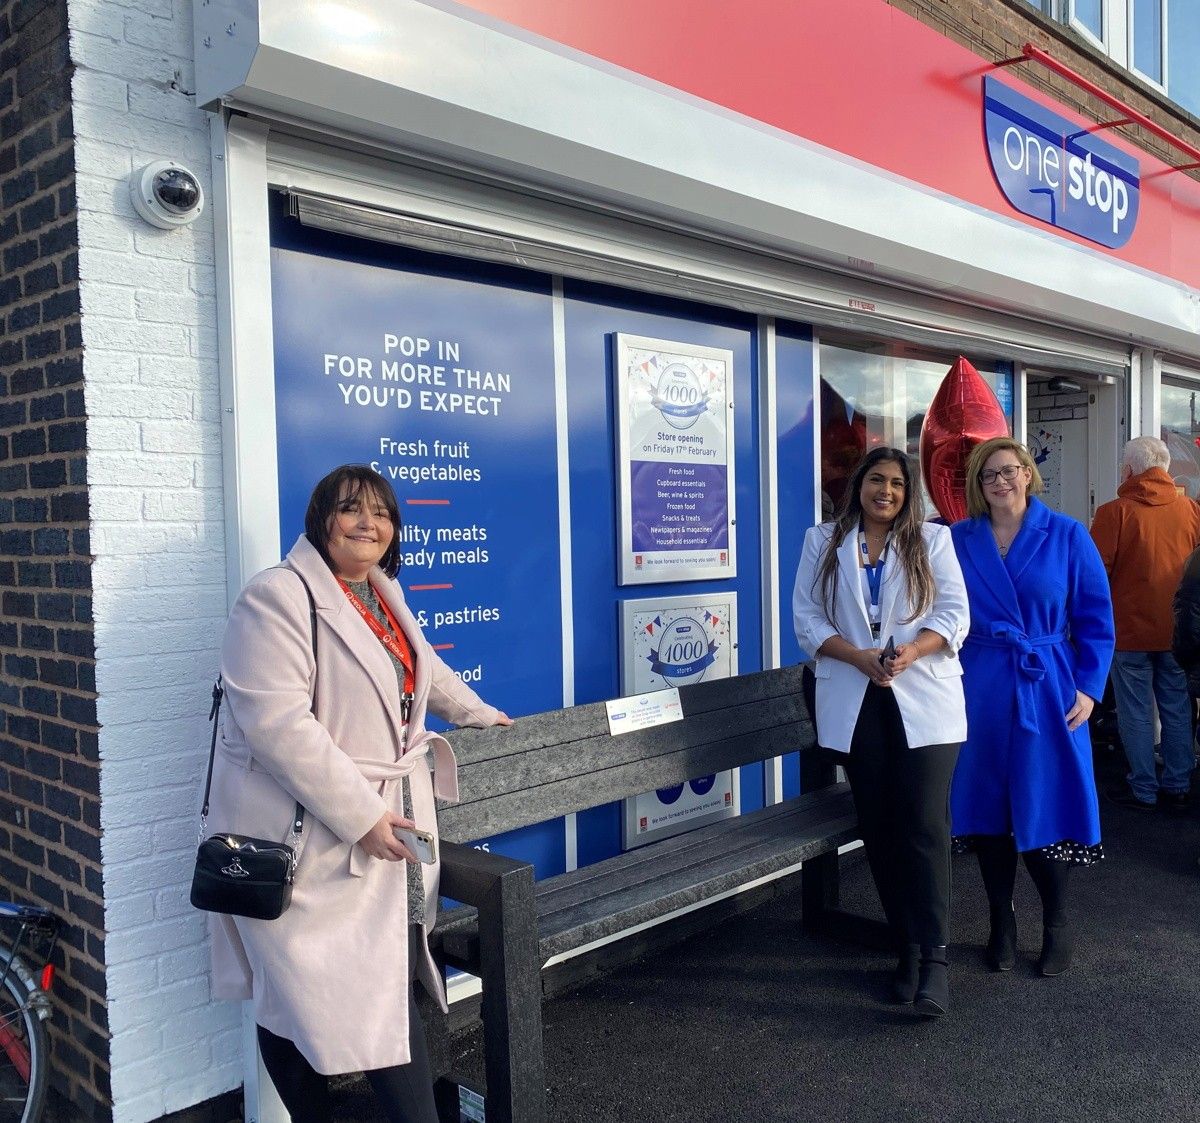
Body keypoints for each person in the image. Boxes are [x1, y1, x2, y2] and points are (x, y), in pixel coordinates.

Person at [204, 465, 511, 1123]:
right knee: (292, 993)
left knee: (369, 982)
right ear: (322, 518)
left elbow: (420, 666)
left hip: (376, 822)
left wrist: (474, 710)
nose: (368, 523)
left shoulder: (380, 590)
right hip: (306, 836)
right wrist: (364, 813)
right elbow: (277, 726)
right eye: (351, 508)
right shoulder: (275, 598)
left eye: (381, 512)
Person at [793, 447, 970, 1017]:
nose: (886, 491)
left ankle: (935, 958)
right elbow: (807, 620)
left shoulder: (932, 541)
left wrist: (912, 651)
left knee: (923, 823)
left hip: (924, 698)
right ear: (859, 485)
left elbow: (954, 613)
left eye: (896, 483)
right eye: (876, 480)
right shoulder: (822, 542)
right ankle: (907, 950)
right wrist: (858, 656)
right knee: (880, 827)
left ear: (907, 492)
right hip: (855, 694)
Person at [950, 437, 1114, 978]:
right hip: (980, 686)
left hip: (1049, 688)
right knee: (991, 812)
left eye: (1010, 470)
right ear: (978, 484)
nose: (1000, 482)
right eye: (989, 474)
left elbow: (1095, 618)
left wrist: (1089, 688)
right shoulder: (957, 539)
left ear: (1028, 474)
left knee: (1049, 803)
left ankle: (1058, 922)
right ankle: (1001, 921)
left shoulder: (1068, 534)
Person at [1090, 436, 1200, 811]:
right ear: (1167, 470)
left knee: (1135, 711)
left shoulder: (1113, 512)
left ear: (1128, 470)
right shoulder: (1190, 511)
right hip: (1177, 633)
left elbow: (1095, 575)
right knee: (1177, 707)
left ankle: (1143, 788)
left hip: (1129, 631)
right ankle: (1179, 782)